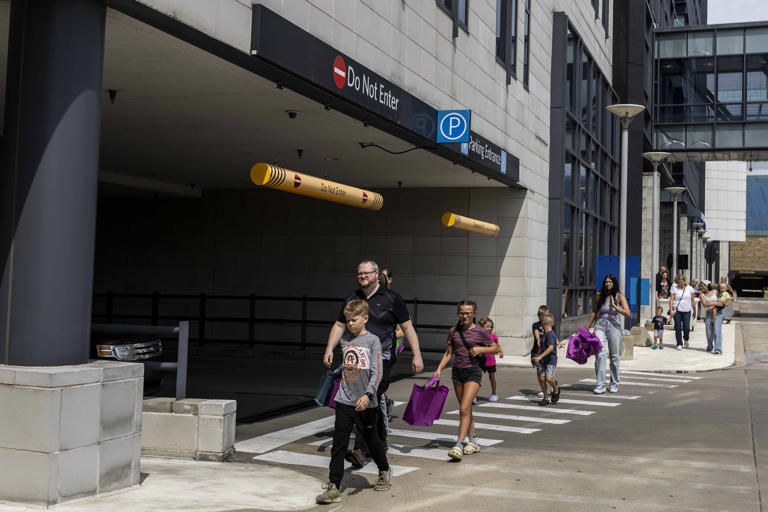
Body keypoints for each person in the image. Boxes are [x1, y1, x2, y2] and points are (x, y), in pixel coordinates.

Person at [324, 260, 424, 467]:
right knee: (372, 401)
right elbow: (339, 325)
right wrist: (329, 348)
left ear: (376, 274)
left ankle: (361, 449)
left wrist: (417, 355)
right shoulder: (352, 298)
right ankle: (379, 441)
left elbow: (407, 328)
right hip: (357, 360)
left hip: (383, 358)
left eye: (366, 273)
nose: (362, 277)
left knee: (370, 395)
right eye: (359, 274)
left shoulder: (392, 299)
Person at [316, 300, 390, 505]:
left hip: (366, 403)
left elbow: (377, 371)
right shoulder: (345, 340)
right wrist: (329, 349)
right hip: (344, 400)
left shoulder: (373, 341)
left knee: (372, 441)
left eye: (354, 320)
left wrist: (368, 395)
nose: (350, 324)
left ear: (365, 318)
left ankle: (384, 469)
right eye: (347, 320)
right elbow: (346, 362)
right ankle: (334, 485)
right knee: (338, 444)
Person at [432, 300, 498, 461]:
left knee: (463, 408)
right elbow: (449, 353)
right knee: (466, 409)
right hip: (457, 372)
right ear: (458, 313)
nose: (465, 315)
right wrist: (439, 369)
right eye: (462, 312)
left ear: (474, 314)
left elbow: (495, 347)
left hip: (474, 372)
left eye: (468, 313)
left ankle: (459, 444)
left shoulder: (481, 332)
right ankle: (473, 440)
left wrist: (481, 349)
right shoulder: (453, 331)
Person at [586, 274, 630, 394]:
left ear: (614, 283)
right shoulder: (599, 295)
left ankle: (614, 383)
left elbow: (627, 313)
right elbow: (594, 311)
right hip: (600, 325)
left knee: (615, 357)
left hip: (614, 326)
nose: (608, 284)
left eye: (610, 282)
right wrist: (587, 328)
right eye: (606, 282)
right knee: (600, 354)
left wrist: (615, 306)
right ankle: (600, 384)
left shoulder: (619, 296)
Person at [532, 313, 560, 406]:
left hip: (551, 361)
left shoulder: (551, 334)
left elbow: (551, 348)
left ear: (543, 323)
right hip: (543, 361)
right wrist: (538, 355)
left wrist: (540, 356)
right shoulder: (545, 334)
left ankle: (555, 390)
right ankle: (545, 398)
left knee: (548, 378)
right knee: (542, 378)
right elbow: (543, 348)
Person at [478, 317, 503, 402]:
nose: (489, 328)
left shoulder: (493, 336)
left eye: (491, 327)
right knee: (478, 379)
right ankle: (473, 396)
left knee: (492, 378)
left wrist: (501, 352)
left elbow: (498, 345)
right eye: (487, 326)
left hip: (491, 362)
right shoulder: (479, 337)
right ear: (481, 327)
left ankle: (494, 394)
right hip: (481, 361)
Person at [670, 274, 695, 351]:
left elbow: (692, 300)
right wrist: (671, 309)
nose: (680, 284)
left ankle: (686, 338)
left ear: (684, 281)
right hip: (677, 310)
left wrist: (695, 311)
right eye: (678, 282)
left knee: (686, 328)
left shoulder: (690, 289)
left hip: (687, 310)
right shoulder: (674, 288)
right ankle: (679, 343)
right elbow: (671, 299)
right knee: (678, 327)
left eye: (681, 282)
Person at [712, 282, 732, 356]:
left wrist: (726, 303)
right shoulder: (719, 293)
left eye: (723, 288)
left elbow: (729, 299)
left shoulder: (726, 293)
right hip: (719, 304)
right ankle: (714, 316)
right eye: (721, 288)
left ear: (726, 288)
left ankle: (718, 349)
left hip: (720, 307)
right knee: (712, 332)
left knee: (717, 331)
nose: (722, 289)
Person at [700, 280, 718, 353]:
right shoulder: (702, 295)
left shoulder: (715, 292)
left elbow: (721, 299)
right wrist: (715, 304)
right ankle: (710, 346)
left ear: (707, 285)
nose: (701, 287)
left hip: (716, 313)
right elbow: (704, 304)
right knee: (708, 331)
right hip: (708, 313)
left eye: (702, 286)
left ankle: (717, 347)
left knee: (716, 331)